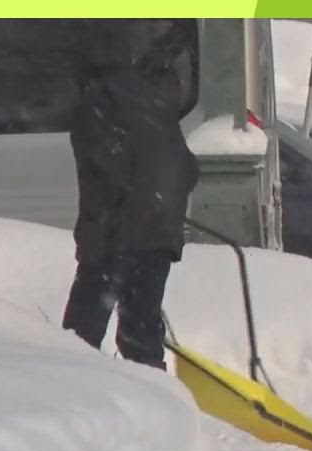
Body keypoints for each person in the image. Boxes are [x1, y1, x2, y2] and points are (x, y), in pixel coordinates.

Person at [61, 19, 200, 371]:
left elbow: (100, 181)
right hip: (157, 229)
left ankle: (69, 396)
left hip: (120, 231)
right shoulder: (155, 95)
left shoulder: (102, 101)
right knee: (141, 330)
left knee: (80, 336)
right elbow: (187, 167)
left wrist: (92, 240)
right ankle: (151, 396)